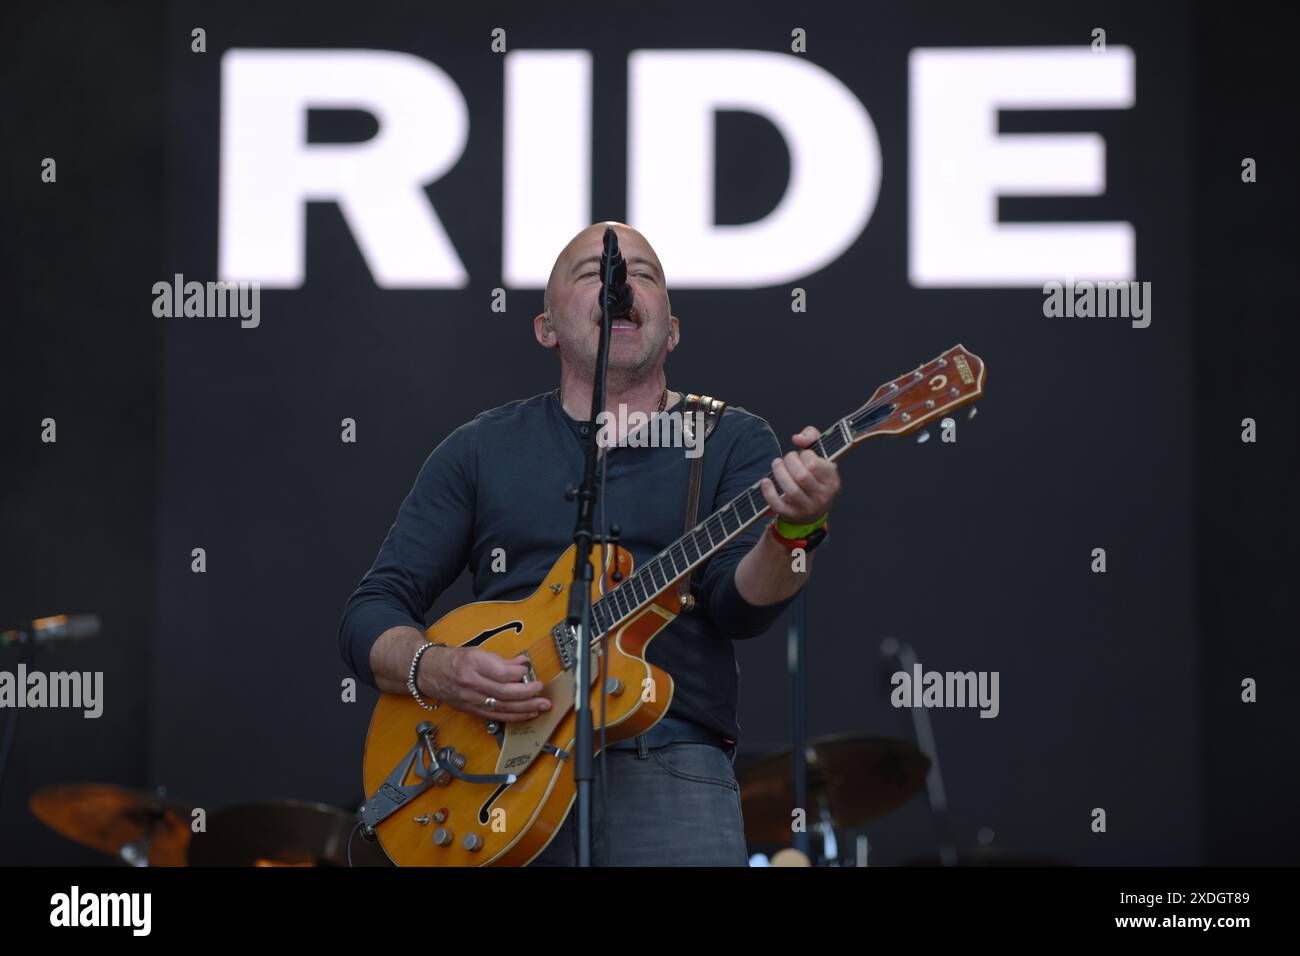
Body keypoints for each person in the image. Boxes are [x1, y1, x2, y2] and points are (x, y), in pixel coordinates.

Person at [339, 221, 842, 865]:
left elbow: (740, 606)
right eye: (592, 273)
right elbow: (370, 613)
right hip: (498, 779)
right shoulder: (480, 450)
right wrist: (440, 667)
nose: (620, 284)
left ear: (673, 327)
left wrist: (794, 529)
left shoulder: (729, 439)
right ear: (546, 328)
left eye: (643, 274)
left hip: (668, 767)